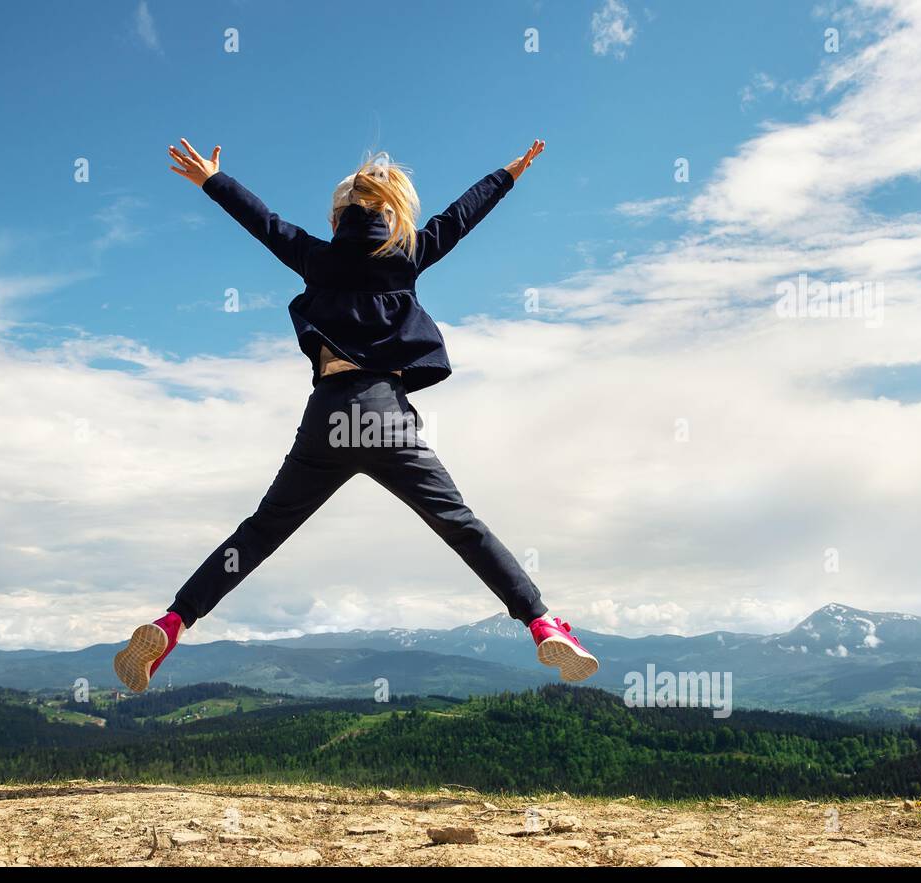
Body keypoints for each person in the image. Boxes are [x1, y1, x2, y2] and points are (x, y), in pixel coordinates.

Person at [113, 138, 597, 693]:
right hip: (385, 415)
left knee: (261, 531)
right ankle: (541, 623)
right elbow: (461, 216)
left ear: (338, 217)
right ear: (391, 213)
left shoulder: (315, 257)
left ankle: (173, 622)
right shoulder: (409, 254)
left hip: (328, 416)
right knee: (460, 526)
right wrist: (508, 173)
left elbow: (262, 221)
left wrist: (213, 180)